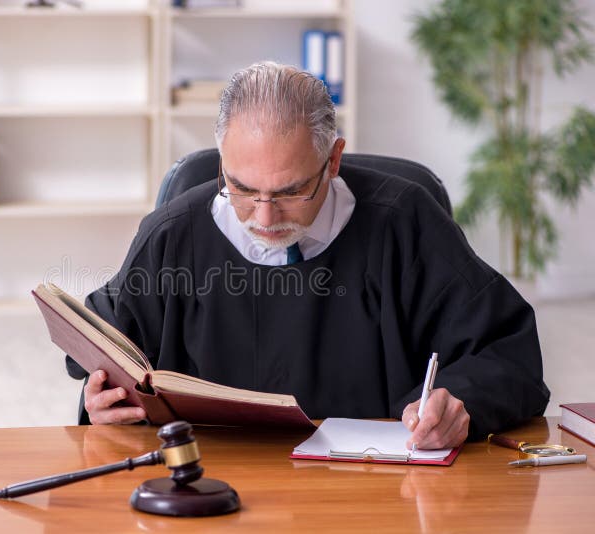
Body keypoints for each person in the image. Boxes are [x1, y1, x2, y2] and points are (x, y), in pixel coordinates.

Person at [66, 61, 549, 449]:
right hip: (206, 483)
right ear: (223, 162)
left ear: (333, 160)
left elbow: (509, 353)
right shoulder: (174, 233)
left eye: (290, 192)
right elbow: (103, 349)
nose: (264, 216)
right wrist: (103, 399)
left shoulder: (405, 222)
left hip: (374, 491)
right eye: (241, 188)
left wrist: (459, 402)